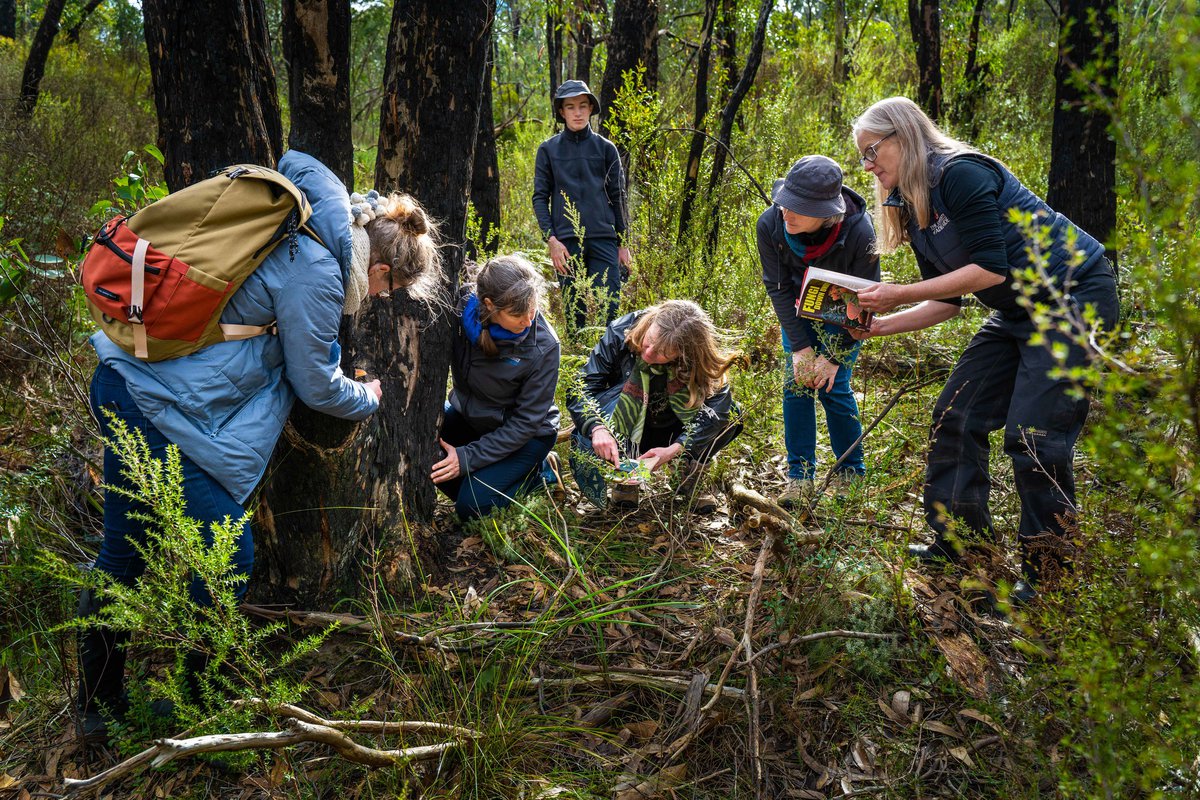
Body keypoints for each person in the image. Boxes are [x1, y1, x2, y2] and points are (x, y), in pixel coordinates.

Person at [80, 151, 440, 738]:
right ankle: (193, 699)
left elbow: (293, 165)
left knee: (125, 556)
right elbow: (315, 383)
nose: (379, 297)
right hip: (151, 405)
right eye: (389, 285)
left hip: (129, 382)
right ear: (379, 263)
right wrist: (368, 396)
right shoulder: (323, 268)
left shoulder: (315, 224)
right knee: (228, 551)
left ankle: (99, 706)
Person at [849, 96, 1119, 604]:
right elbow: (948, 301)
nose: (868, 166)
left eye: (871, 151)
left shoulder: (960, 174)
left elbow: (990, 269)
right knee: (956, 414)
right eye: (862, 156)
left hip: (1073, 294)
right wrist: (881, 326)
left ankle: (1051, 578)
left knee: (1034, 434)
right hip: (1017, 311)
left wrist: (897, 292)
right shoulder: (910, 203)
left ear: (902, 137)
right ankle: (964, 546)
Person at [758, 155, 880, 508]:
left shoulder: (860, 232)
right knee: (796, 384)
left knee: (834, 387)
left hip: (846, 316)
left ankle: (850, 473)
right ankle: (800, 477)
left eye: (798, 208)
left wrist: (833, 357)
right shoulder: (771, 224)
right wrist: (800, 348)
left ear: (827, 212)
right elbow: (777, 287)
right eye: (784, 203)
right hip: (797, 312)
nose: (786, 213)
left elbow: (866, 300)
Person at [566, 300, 743, 513]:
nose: (648, 354)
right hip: (624, 424)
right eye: (649, 342)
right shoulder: (622, 330)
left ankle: (686, 472)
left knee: (731, 415)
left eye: (663, 353)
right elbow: (582, 386)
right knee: (603, 412)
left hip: (672, 429)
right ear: (650, 325)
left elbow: (720, 408)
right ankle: (625, 473)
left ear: (684, 353)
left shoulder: (697, 355)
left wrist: (676, 448)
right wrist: (597, 427)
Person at [431, 255, 562, 520]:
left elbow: (526, 423)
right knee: (425, 456)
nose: (529, 320)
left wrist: (468, 457)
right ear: (489, 305)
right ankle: (489, 481)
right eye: (518, 314)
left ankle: (540, 476)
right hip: (472, 417)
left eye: (533, 309)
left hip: (525, 435)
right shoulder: (459, 315)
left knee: (471, 508)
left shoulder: (545, 346)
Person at [532, 79, 632, 330]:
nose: (577, 112)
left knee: (609, 310)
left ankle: (608, 366)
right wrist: (551, 240)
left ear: (590, 109)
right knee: (574, 311)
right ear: (561, 111)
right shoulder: (548, 150)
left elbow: (619, 197)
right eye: (571, 107)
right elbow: (540, 197)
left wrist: (623, 244)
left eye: (583, 106)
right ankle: (579, 366)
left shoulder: (606, 149)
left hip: (604, 239)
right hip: (566, 242)